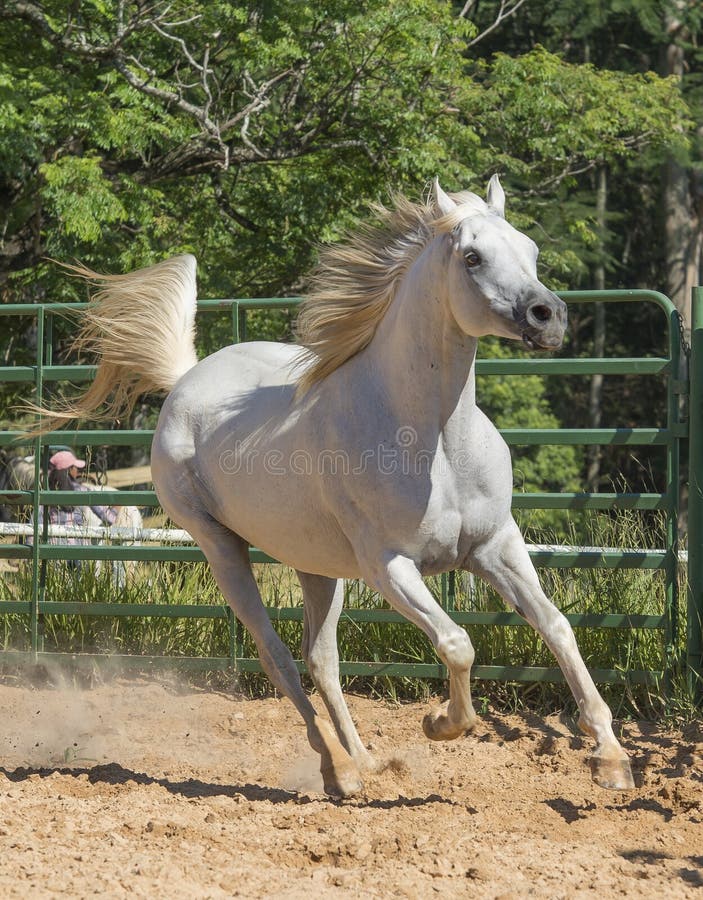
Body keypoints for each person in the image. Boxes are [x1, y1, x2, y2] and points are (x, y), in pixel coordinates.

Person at [27, 451, 118, 566]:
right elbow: (108, 518)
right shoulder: (82, 491)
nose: (77, 471)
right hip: (80, 557)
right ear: (69, 470)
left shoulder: (44, 496)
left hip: (55, 559)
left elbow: (32, 531)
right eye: (75, 467)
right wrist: (117, 507)